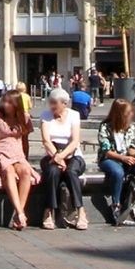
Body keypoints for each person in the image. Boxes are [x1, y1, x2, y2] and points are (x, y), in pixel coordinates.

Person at [0, 87, 37, 231]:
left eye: (9, 102)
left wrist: (26, 159)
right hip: (2, 152)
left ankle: (18, 212)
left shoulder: (24, 118)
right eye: (4, 102)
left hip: (18, 153)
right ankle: (20, 213)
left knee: (25, 171)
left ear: (16, 104)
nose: (5, 105)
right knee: (9, 171)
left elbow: (25, 142)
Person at [37, 88, 87, 230]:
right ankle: (48, 211)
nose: (52, 106)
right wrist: (56, 157)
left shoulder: (74, 115)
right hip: (51, 154)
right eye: (50, 103)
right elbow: (46, 140)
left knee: (71, 172)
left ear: (64, 103)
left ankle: (81, 211)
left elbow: (75, 141)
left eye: (55, 103)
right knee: (53, 172)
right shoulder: (45, 116)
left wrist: (62, 156)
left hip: (72, 154)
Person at [96, 98, 135, 226]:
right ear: (120, 114)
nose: (131, 114)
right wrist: (123, 158)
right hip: (109, 158)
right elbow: (106, 151)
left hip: (126, 158)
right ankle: (116, 204)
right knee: (117, 171)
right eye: (128, 112)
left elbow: (131, 147)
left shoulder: (130, 127)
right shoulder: (105, 126)